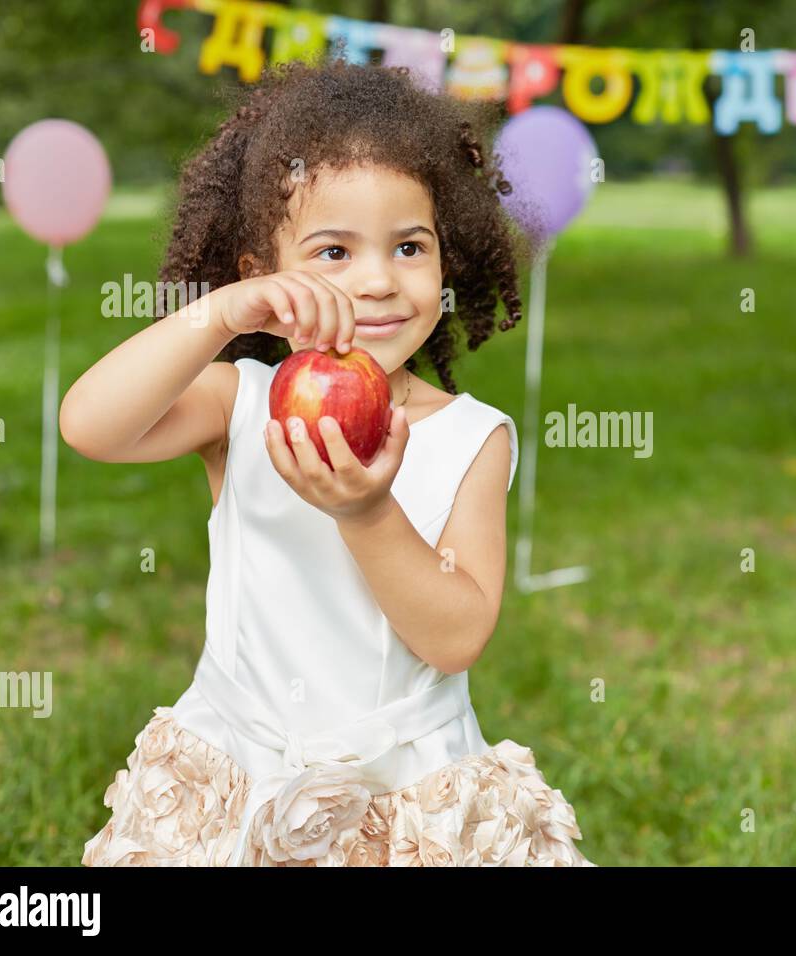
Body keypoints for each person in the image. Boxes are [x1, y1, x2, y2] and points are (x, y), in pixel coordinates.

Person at [63, 59, 594, 866]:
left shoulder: (469, 436)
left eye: (409, 246)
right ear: (264, 276)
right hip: (243, 762)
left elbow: (456, 636)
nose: (378, 280)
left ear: (445, 260)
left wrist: (367, 513)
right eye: (334, 251)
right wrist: (215, 319)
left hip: (402, 789)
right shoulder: (239, 401)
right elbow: (90, 426)